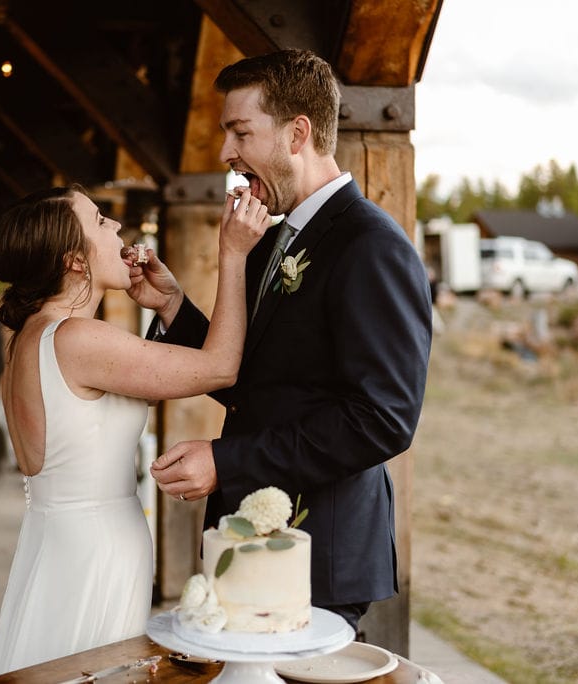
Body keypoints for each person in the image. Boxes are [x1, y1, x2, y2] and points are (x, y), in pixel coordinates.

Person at [140, 49, 433, 635]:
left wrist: (227, 462)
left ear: (297, 133)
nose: (226, 154)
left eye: (241, 132)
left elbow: (383, 419)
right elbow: (258, 380)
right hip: (257, 544)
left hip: (317, 551)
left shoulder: (370, 245)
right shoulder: (277, 239)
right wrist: (174, 305)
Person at [0, 184, 268, 675]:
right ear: (74, 260)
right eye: (98, 221)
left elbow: (128, 390)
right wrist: (233, 254)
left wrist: (167, 302)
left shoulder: (32, 336)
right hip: (96, 547)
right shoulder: (77, 338)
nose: (115, 226)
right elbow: (220, 368)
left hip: (58, 538)